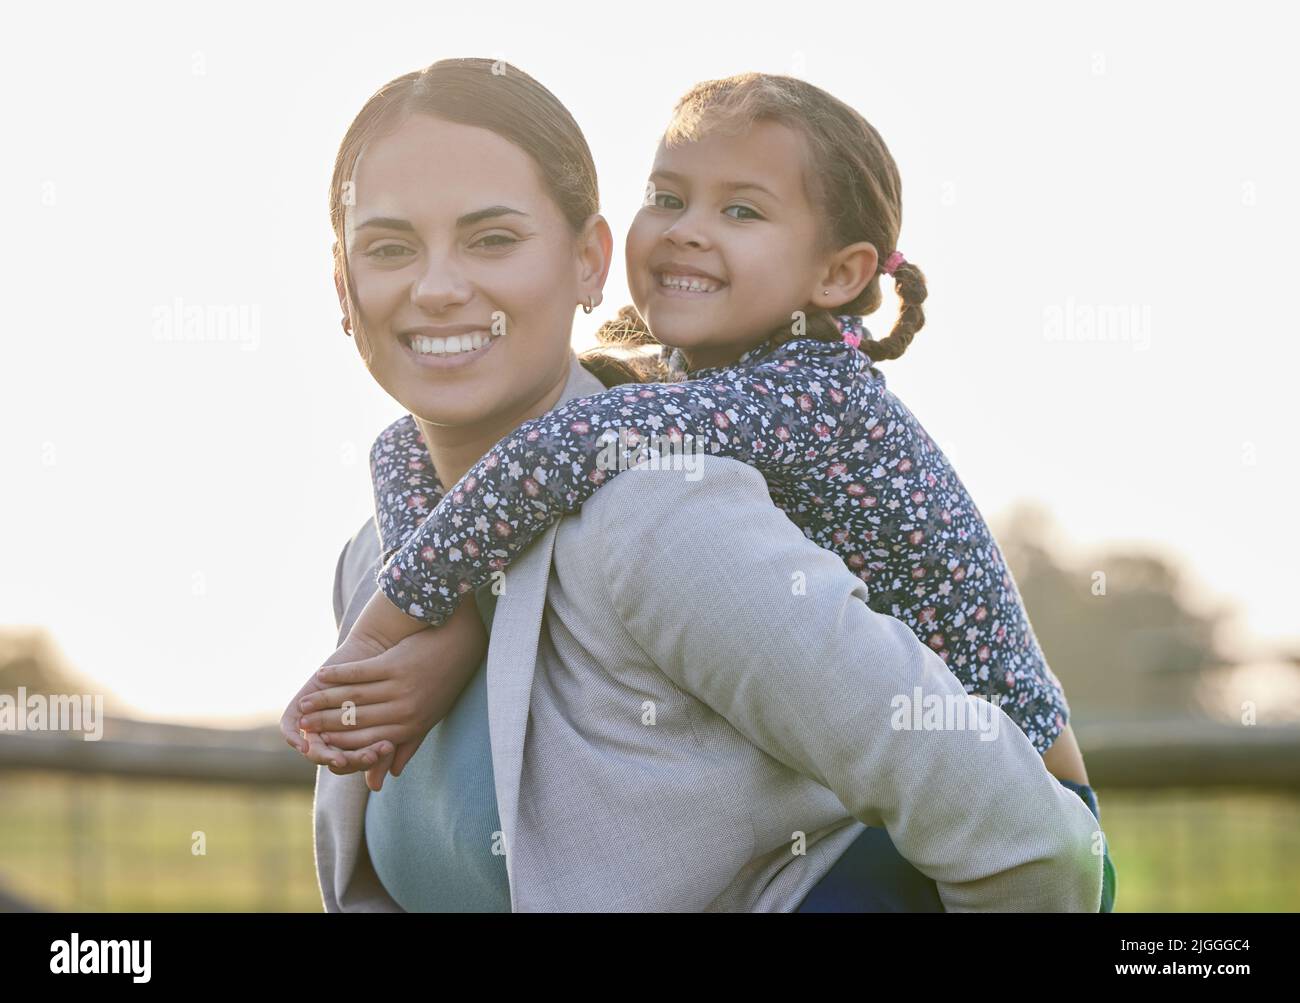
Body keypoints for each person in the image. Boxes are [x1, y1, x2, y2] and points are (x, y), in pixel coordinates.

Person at [288, 58, 1106, 911]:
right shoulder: (374, 551)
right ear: (342, 286)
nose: (440, 287)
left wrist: (397, 622)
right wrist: (439, 617)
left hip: (1010, 759)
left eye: (493, 237)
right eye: (388, 248)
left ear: (587, 262)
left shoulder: (666, 506)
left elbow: (1035, 846)